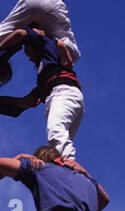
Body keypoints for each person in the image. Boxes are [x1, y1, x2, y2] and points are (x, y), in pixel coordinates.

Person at [22, 27, 84, 162]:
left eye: (29, 52)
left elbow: (64, 53)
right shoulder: (44, 74)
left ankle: (69, 164)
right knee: (56, 147)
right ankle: (62, 164)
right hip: (67, 95)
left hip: (63, 93)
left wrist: (59, 47)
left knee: (55, 130)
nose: (29, 58)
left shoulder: (48, 51)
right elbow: (27, 101)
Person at [0, 0, 80, 64]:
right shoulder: (42, 39)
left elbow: (18, 34)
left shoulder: (31, 34)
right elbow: (73, 55)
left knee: (3, 29)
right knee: (74, 56)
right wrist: (52, 40)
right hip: (55, 4)